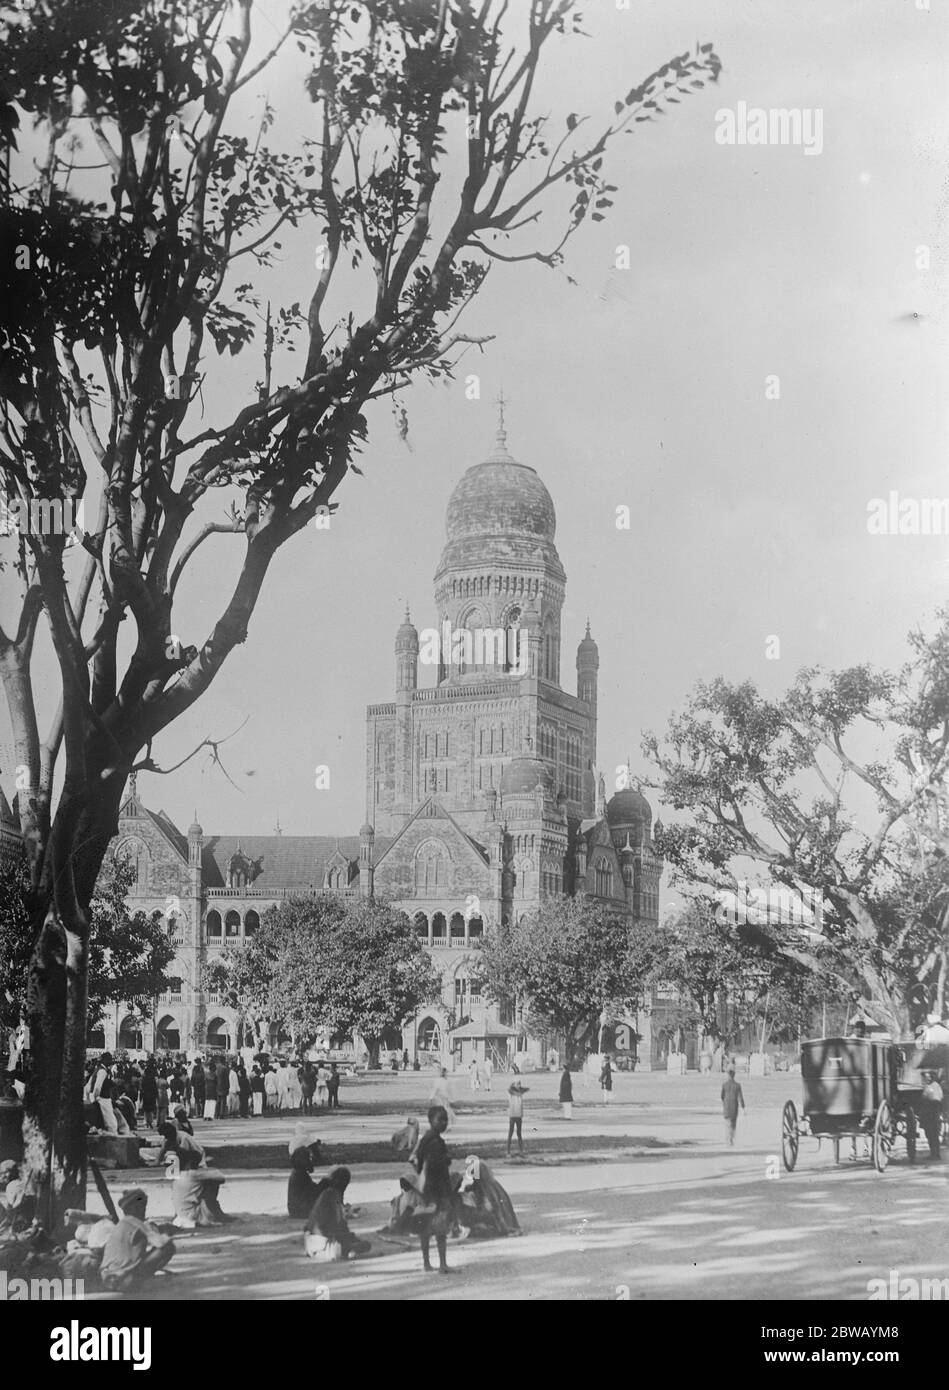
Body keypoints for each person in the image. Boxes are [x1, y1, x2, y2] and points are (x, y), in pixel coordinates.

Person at [157, 1122, 234, 1228]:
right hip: (187, 1163)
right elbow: (164, 1151)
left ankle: (211, 1208)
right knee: (198, 1184)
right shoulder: (168, 1139)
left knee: (194, 1185)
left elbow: (186, 1153)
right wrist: (159, 1160)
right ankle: (207, 1209)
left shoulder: (183, 1137)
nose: (165, 1137)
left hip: (195, 1157)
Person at [98, 1187, 175, 1293]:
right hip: (122, 1279)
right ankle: (138, 1280)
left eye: (144, 1206)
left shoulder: (123, 1223)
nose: (143, 1210)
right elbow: (161, 1243)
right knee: (168, 1248)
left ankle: (134, 1278)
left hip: (107, 1278)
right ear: (132, 1208)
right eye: (141, 1206)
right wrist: (167, 1233)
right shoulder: (136, 1223)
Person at [411, 1107, 455, 1274]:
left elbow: (417, 1162)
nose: (444, 1123)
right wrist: (446, 1161)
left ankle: (426, 1263)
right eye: (440, 1120)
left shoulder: (426, 1139)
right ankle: (443, 1263)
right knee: (441, 1228)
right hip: (438, 1189)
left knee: (426, 1227)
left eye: (445, 1120)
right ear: (431, 1121)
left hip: (426, 1189)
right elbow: (437, 1166)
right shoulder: (436, 1141)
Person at [303, 1167, 371, 1262]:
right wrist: (350, 1237)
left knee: (352, 1240)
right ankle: (343, 1250)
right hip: (325, 1245)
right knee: (365, 1245)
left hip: (309, 1243)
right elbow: (340, 1226)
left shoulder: (325, 1193)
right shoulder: (334, 1195)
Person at [458, 1156, 521, 1237]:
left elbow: (490, 1208)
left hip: (496, 1222)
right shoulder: (492, 1184)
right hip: (503, 1220)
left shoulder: (487, 1188)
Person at [287, 1129, 326, 1218]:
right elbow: (314, 1192)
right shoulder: (300, 1175)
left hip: (295, 1210)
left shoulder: (297, 1173)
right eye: (309, 1158)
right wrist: (325, 1182)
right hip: (300, 1211)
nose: (311, 1160)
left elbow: (310, 1191)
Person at [919, 1070, 944, 1160]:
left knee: (931, 1133)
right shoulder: (936, 1086)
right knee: (932, 1134)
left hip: (931, 1111)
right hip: (934, 1111)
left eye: (927, 1077)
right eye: (925, 1077)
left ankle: (935, 1154)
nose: (926, 1079)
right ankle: (935, 1153)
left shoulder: (931, 1087)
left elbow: (925, 1097)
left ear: (931, 1078)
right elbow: (940, 1097)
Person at [721, 1067, 745, 1147]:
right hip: (734, 1106)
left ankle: (728, 1139)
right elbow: (740, 1097)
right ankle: (731, 1138)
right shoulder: (737, 1085)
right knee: (733, 1124)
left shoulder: (724, 1085)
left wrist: (723, 1103)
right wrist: (743, 1107)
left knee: (727, 1124)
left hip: (727, 1106)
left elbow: (722, 1096)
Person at [506, 1081, 528, 1156]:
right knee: (510, 1133)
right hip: (513, 1115)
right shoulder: (511, 1093)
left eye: (519, 1084)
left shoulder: (520, 1092)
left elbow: (526, 1089)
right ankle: (508, 1151)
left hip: (518, 1116)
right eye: (517, 1084)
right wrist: (514, 1087)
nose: (519, 1085)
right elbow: (510, 1089)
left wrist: (519, 1088)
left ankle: (521, 1151)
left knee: (519, 1134)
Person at [140, 1060, 158, 1129]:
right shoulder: (152, 1079)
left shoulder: (144, 1079)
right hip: (151, 1096)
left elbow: (142, 1087)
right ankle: (150, 1122)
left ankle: (146, 1122)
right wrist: (155, 1095)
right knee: (151, 1110)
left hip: (145, 1095)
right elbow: (154, 1087)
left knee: (146, 1110)